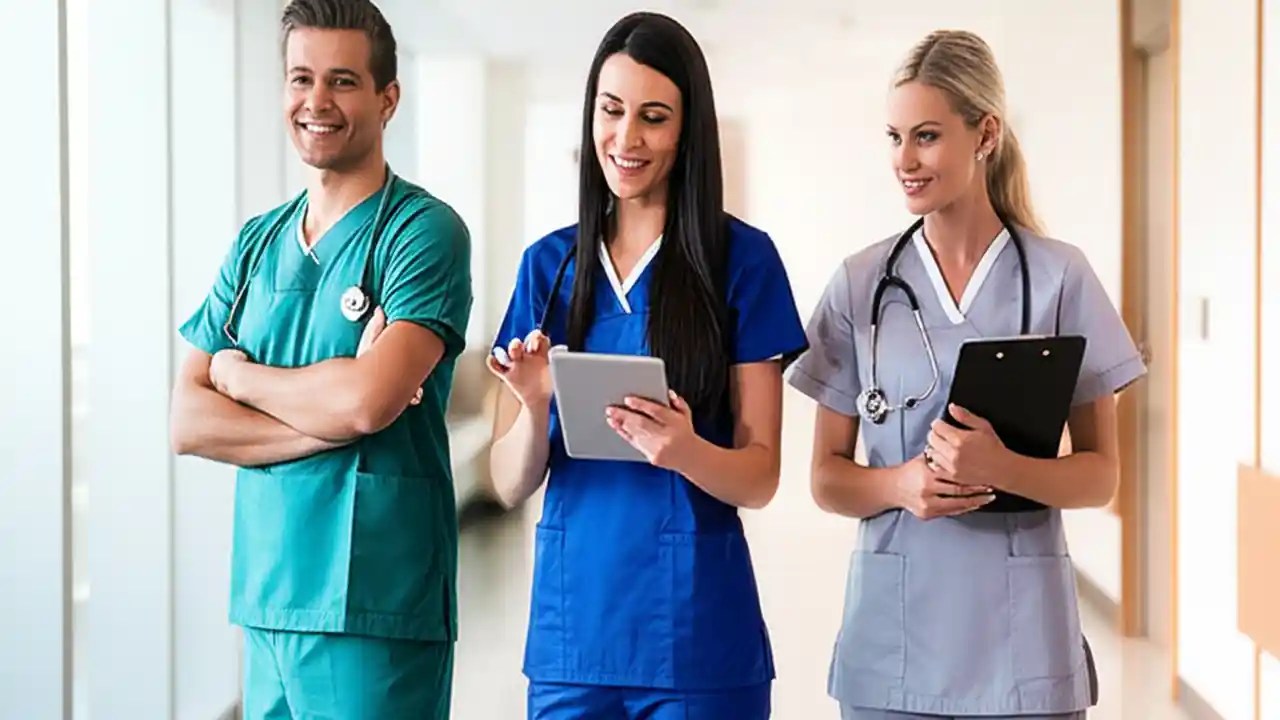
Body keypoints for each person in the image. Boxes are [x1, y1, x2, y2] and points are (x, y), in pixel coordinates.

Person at [787, 30, 1146, 720]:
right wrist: (901, 484)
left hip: (1022, 651)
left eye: (926, 136)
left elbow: (1101, 476)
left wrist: (1001, 466)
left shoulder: (1059, 277)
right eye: (893, 138)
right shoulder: (861, 284)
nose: (904, 160)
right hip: (890, 650)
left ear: (986, 135)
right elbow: (827, 479)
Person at [486, 11, 808, 720]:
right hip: (576, 637)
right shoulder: (550, 267)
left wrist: (687, 449)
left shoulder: (742, 263)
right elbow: (508, 483)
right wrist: (535, 405)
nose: (626, 139)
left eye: (654, 117)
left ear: (688, 131)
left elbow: (760, 475)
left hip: (698, 638)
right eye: (611, 111)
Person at [168, 1, 471, 717]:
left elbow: (367, 401)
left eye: (342, 81)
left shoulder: (422, 234)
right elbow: (187, 420)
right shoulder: (254, 245)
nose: (317, 101)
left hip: (375, 602)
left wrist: (239, 377)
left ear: (387, 98)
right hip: (270, 597)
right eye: (301, 78)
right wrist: (325, 421)